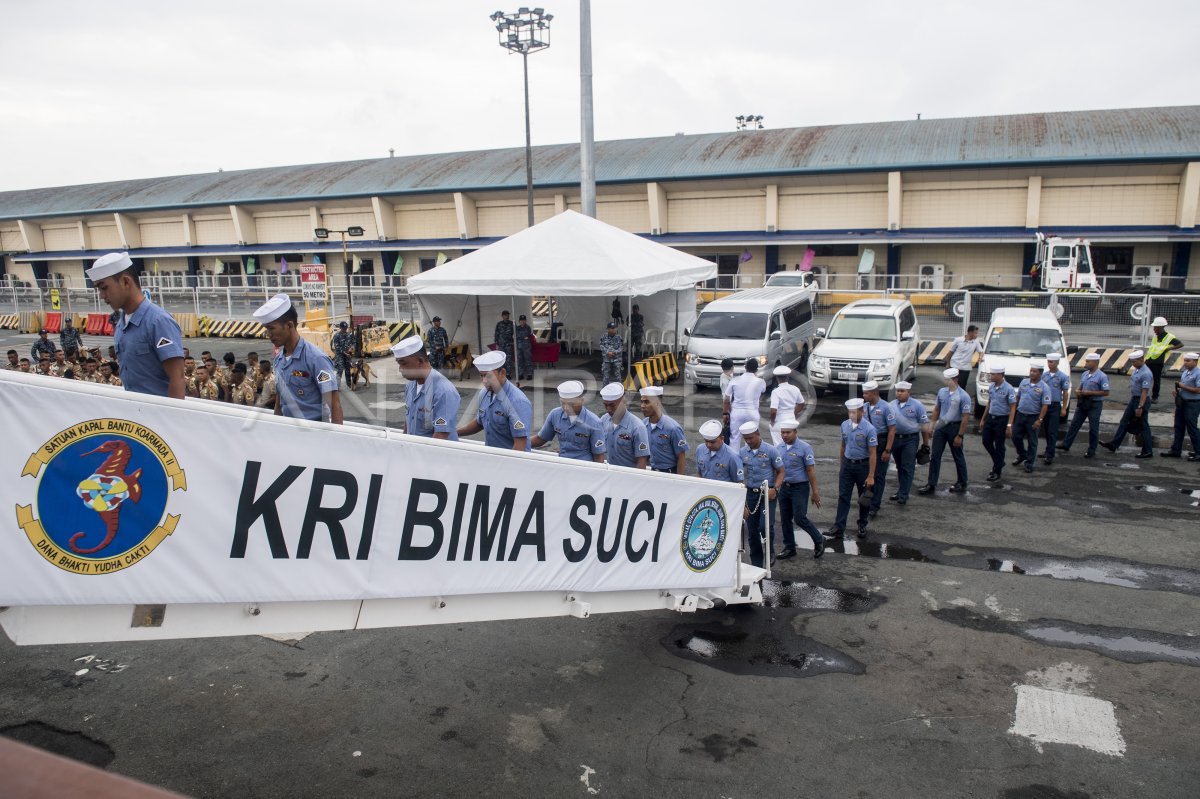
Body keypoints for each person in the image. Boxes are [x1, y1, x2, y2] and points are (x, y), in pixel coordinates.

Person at [86, 252, 185, 398]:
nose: (102, 295)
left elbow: (177, 378)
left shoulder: (158, 321)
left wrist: (171, 419)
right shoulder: (121, 325)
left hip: (158, 416)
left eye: (104, 287)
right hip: (135, 415)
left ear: (126, 282)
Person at [254, 293, 343, 424]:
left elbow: (335, 405)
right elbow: (279, 403)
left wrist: (335, 441)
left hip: (313, 431)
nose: (269, 335)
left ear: (289, 326)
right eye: (267, 329)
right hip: (288, 432)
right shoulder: (279, 360)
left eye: (272, 328)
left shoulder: (316, 359)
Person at [456, 350, 531, 450]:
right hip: (492, 457)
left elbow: (520, 443)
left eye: (488, 376)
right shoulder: (484, 393)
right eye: (481, 376)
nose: (484, 381)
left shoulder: (517, 401)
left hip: (511, 461)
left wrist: (505, 465)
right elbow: (480, 422)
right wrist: (454, 432)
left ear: (502, 373)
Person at [392, 335, 460, 440]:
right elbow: (409, 421)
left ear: (420, 361)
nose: (401, 369)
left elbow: (441, 436)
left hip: (433, 454)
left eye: (404, 363)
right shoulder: (411, 385)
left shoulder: (443, 391)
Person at [775, 421, 825, 560]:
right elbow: (777, 470)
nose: (784, 435)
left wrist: (815, 492)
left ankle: (819, 539)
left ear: (795, 432)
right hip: (784, 487)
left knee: (800, 517)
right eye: (783, 432)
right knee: (785, 519)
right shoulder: (778, 448)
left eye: (788, 432)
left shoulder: (805, 448)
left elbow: (810, 470)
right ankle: (790, 547)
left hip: (800, 488)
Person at [919, 368, 972, 495]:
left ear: (956, 380)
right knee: (935, 456)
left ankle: (962, 482)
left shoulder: (963, 396)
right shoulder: (942, 392)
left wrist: (960, 435)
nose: (946, 382)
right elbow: (937, 409)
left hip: (955, 427)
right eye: (946, 380)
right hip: (941, 427)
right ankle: (931, 483)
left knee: (957, 456)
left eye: (948, 380)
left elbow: (965, 417)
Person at [830, 398, 877, 540]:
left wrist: (871, 475)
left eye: (854, 412)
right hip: (847, 466)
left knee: (863, 498)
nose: (851, 415)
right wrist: (841, 465)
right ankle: (839, 526)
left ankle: (862, 524)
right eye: (849, 412)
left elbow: (873, 452)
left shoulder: (869, 429)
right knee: (843, 496)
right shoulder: (844, 425)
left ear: (862, 411)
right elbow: (843, 446)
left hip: (863, 466)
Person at [739, 421, 784, 569]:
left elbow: (781, 471)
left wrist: (775, 489)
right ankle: (756, 560)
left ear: (758, 434)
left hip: (767, 493)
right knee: (751, 530)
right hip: (751, 494)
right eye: (746, 438)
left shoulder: (771, 451)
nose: (748, 441)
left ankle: (770, 551)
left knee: (764, 526)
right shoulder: (743, 452)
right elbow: (738, 473)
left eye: (751, 438)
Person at [530, 380, 607, 462]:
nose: (566, 408)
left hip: (584, 467)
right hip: (562, 464)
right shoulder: (555, 415)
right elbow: (540, 439)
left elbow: (598, 457)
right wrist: (521, 442)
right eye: (563, 403)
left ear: (581, 401)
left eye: (571, 404)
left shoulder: (594, 423)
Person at [1101, 350, 1153, 458]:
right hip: (1134, 399)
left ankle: (1148, 450)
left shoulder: (1146, 373)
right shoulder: (1137, 370)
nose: (1132, 364)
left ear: (1141, 359)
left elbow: (1144, 391)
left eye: (1134, 362)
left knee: (1143, 426)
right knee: (1124, 421)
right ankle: (1114, 445)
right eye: (1131, 362)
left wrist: (1140, 407)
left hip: (1140, 400)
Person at [1058, 353, 1110, 458]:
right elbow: (1080, 386)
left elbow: (1106, 392)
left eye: (1088, 361)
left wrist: (1090, 393)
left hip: (1094, 404)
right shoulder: (1085, 374)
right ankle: (1066, 444)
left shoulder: (1102, 376)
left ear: (1095, 363)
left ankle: (1092, 449)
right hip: (1083, 402)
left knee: (1093, 427)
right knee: (1074, 424)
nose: (1086, 363)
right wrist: (1078, 391)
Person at [888, 380, 930, 505]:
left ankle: (904, 494)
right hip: (895, 439)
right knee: (899, 466)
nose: (899, 393)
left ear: (909, 392)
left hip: (910, 439)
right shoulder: (891, 405)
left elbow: (924, 425)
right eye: (898, 391)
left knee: (907, 467)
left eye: (902, 391)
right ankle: (901, 490)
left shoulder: (917, 405)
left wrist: (926, 444)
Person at [862, 380, 896, 519]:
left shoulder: (886, 407)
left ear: (875, 393)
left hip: (881, 441)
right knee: (867, 473)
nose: (864, 396)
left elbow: (892, 429)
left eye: (866, 393)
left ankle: (875, 505)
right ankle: (866, 500)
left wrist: (888, 450)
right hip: (867, 443)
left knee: (879, 475)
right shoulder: (864, 407)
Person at [978, 363, 1017, 481]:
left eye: (993, 374)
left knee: (999, 445)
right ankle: (999, 461)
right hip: (991, 417)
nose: (991, 376)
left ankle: (997, 470)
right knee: (986, 441)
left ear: (1000, 375)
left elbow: (1013, 407)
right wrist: (983, 418)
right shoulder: (991, 387)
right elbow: (989, 402)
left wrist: (1009, 425)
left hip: (1002, 419)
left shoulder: (1008, 388)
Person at [1011, 362, 1051, 473]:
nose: (1032, 373)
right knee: (1015, 437)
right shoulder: (1024, 382)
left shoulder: (1044, 387)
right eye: (1031, 371)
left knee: (1032, 441)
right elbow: (1018, 397)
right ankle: (1022, 454)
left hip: (1033, 417)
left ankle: (1029, 463)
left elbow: (1045, 405)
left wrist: (1039, 420)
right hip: (1020, 414)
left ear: (1040, 373)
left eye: (1035, 371)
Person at [599, 382, 650, 469]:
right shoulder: (604, 420)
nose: (608, 409)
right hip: (610, 474)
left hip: (629, 477)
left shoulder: (637, 427)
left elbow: (642, 460)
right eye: (605, 405)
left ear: (624, 402)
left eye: (612, 405)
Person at [640, 385, 688, 473]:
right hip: (653, 471)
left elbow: (681, 457)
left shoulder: (673, 428)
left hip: (670, 473)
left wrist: (679, 482)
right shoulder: (643, 425)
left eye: (647, 402)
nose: (642, 406)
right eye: (642, 402)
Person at [1163, 352, 1200, 460]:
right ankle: (1176, 450)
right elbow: (1183, 387)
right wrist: (1177, 392)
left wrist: (1183, 386)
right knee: (1178, 427)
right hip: (1182, 403)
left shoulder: (1198, 373)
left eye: (1188, 361)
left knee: (1192, 429)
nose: (1185, 363)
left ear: (1195, 362)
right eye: (1185, 360)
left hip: (1192, 404)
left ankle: (1198, 452)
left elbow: (1198, 390)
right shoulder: (1185, 372)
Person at [724, 358, 767, 449]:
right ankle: (749, 460)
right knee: (752, 439)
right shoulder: (760, 382)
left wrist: (725, 413)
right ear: (756, 369)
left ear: (745, 367)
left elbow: (727, 399)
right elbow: (763, 391)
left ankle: (734, 461)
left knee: (735, 438)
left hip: (737, 412)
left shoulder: (735, 380)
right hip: (752, 412)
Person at [1040, 353, 1071, 464]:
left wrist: (1064, 408)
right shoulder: (1044, 375)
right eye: (1048, 362)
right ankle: (1048, 450)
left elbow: (1065, 393)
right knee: (1046, 430)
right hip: (1045, 405)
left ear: (1057, 363)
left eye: (1051, 362)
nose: (1049, 364)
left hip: (1054, 406)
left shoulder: (1062, 376)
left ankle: (1050, 454)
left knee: (1052, 431)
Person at [1146, 317, 1183, 403]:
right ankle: (1144, 395)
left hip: (1158, 362)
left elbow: (1180, 344)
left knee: (1156, 380)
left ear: (1160, 327)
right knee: (1145, 377)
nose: (1154, 329)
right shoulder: (1155, 336)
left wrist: (1169, 349)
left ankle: (1155, 397)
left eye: (1155, 327)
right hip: (1149, 359)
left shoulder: (1169, 337)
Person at [696, 419, 744, 485]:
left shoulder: (733, 457)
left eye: (712, 442)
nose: (709, 445)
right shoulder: (700, 449)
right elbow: (699, 474)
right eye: (706, 441)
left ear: (722, 439)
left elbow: (739, 483)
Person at [768, 365, 805, 445]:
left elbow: (773, 411)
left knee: (779, 445)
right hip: (791, 419)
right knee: (791, 444)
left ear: (776, 378)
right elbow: (801, 403)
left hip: (779, 421)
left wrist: (772, 422)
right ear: (788, 377)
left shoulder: (776, 391)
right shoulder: (795, 388)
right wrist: (793, 412)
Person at [947, 325, 984, 391]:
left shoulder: (976, 341)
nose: (977, 335)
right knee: (952, 385)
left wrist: (980, 357)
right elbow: (950, 352)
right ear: (970, 332)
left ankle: (961, 400)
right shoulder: (958, 340)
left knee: (962, 386)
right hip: (954, 365)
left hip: (965, 368)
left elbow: (981, 352)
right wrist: (948, 364)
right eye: (975, 333)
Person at [599, 321, 624, 386]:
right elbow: (601, 346)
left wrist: (614, 352)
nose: (614, 329)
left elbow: (621, 347)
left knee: (618, 376)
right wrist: (608, 352)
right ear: (608, 329)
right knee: (606, 376)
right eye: (612, 328)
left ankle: (619, 390)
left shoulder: (619, 337)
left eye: (615, 328)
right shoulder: (604, 337)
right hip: (607, 359)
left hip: (617, 359)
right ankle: (604, 390)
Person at [331, 321, 355, 388]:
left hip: (348, 355)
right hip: (340, 355)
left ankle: (349, 384)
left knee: (348, 370)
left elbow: (354, 342)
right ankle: (337, 386)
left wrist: (352, 348)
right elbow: (337, 347)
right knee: (340, 370)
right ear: (340, 328)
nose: (345, 330)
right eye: (344, 328)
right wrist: (345, 353)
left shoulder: (349, 335)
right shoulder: (336, 336)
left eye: (346, 328)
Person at [493, 311, 516, 378]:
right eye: (505, 315)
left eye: (508, 315)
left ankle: (508, 374)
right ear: (502, 316)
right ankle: (502, 374)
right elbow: (496, 334)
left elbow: (515, 333)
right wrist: (496, 343)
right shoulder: (499, 324)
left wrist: (514, 342)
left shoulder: (512, 323)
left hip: (509, 344)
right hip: (501, 344)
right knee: (502, 360)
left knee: (508, 359)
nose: (507, 316)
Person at [516, 314, 534, 381]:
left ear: (526, 321)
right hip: (519, 347)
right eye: (521, 320)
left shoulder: (528, 327)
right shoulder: (517, 328)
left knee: (528, 360)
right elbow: (517, 336)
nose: (522, 321)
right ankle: (521, 374)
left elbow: (527, 335)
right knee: (520, 361)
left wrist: (521, 337)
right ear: (519, 321)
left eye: (524, 320)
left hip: (526, 347)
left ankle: (530, 374)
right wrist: (523, 337)